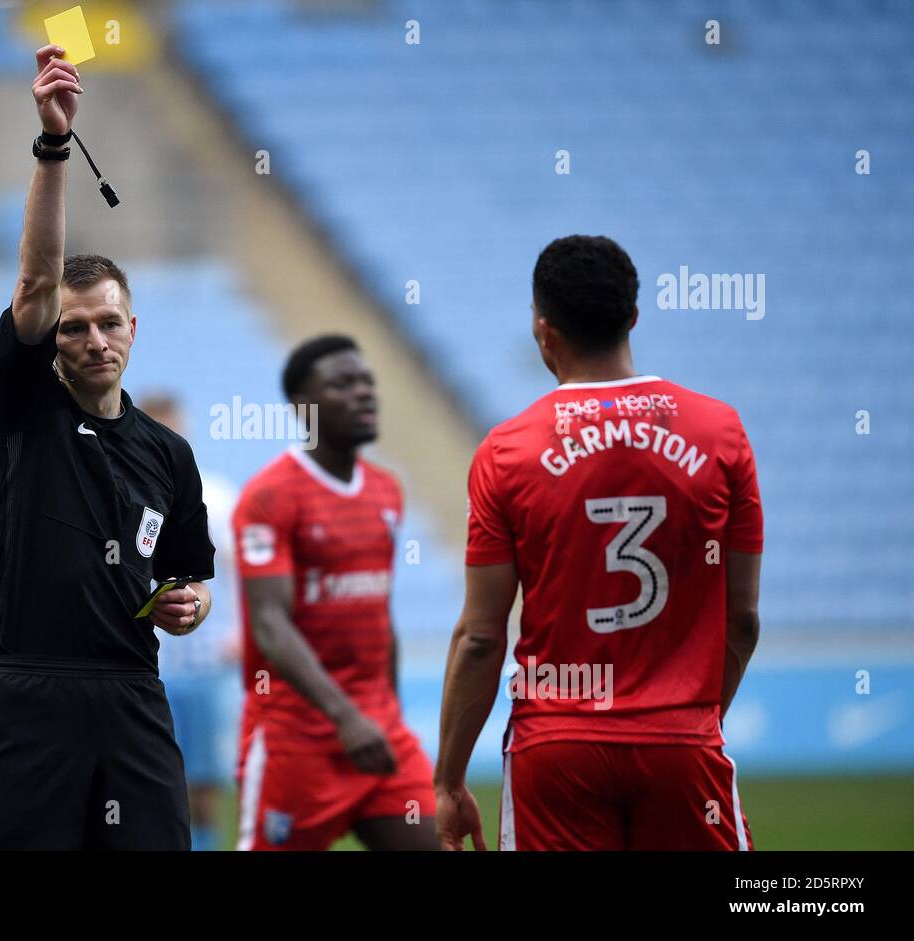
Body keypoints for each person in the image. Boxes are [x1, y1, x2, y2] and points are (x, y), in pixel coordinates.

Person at [0, 45, 217, 850]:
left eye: (110, 322)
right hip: (28, 693)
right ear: (53, 339)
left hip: (133, 694)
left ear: (133, 330)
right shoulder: (26, 409)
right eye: (76, 327)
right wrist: (53, 145)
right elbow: (35, 282)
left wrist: (188, 606)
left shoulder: (168, 453)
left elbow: (190, 583)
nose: (95, 338)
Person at [435, 235, 762, 851]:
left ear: (542, 328)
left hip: (555, 751)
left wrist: (448, 783)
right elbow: (741, 621)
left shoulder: (508, 451)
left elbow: (482, 637)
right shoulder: (721, 433)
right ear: (633, 317)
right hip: (682, 742)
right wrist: (685, 723)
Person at [232, 335, 438, 851]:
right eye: (342, 384)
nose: (364, 392)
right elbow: (269, 625)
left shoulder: (386, 490)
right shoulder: (270, 496)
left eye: (366, 381)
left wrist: (388, 712)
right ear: (304, 405)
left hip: (378, 728)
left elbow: (378, 612)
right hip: (296, 739)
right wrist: (344, 716)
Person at [140, 393, 241, 852]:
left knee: (202, 787)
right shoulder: (129, 498)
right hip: (146, 669)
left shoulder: (216, 499)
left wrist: (242, 635)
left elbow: (251, 576)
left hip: (205, 668)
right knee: (152, 787)